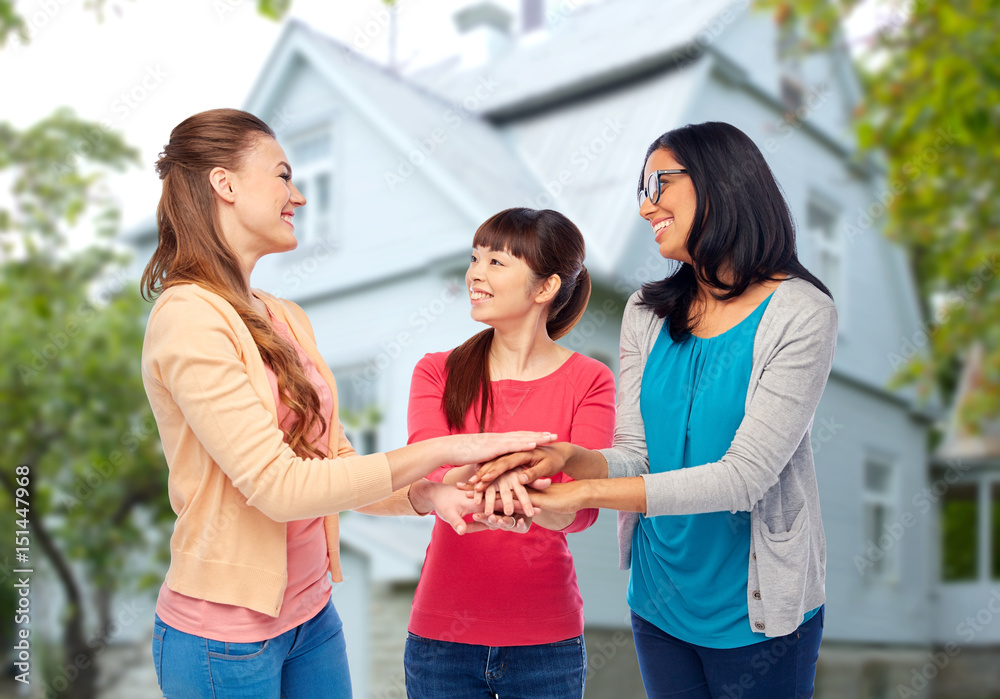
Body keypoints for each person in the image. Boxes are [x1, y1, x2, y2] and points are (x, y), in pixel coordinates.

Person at [139, 109, 556, 699]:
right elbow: (278, 487)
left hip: (312, 619)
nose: (299, 195)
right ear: (224, 185)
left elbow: (333, 464)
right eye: (283, 176)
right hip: (224, 639)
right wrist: (445, 448)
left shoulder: (284, 316)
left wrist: (425, 494)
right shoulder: (188, 317)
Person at [471, 122, 837, 699]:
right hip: (660, 599)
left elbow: (745, 478)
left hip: (759, 611)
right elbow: (637, 455)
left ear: (722, 181)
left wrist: (583, 493)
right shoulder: (646, 310)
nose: (647, 206)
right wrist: (572, 460)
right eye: (641, 189)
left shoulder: (801, 313)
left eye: (659, 183)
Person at [402, 208, 616, 699]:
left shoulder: (590, 379)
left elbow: (582, 507)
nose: (475, 273)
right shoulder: (437, 372)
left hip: (546, 638)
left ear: (545, 288)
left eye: (497, 262)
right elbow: (427, 465)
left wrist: (480, 476)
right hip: (441, 637)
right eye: (475, 258)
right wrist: (523, 477)